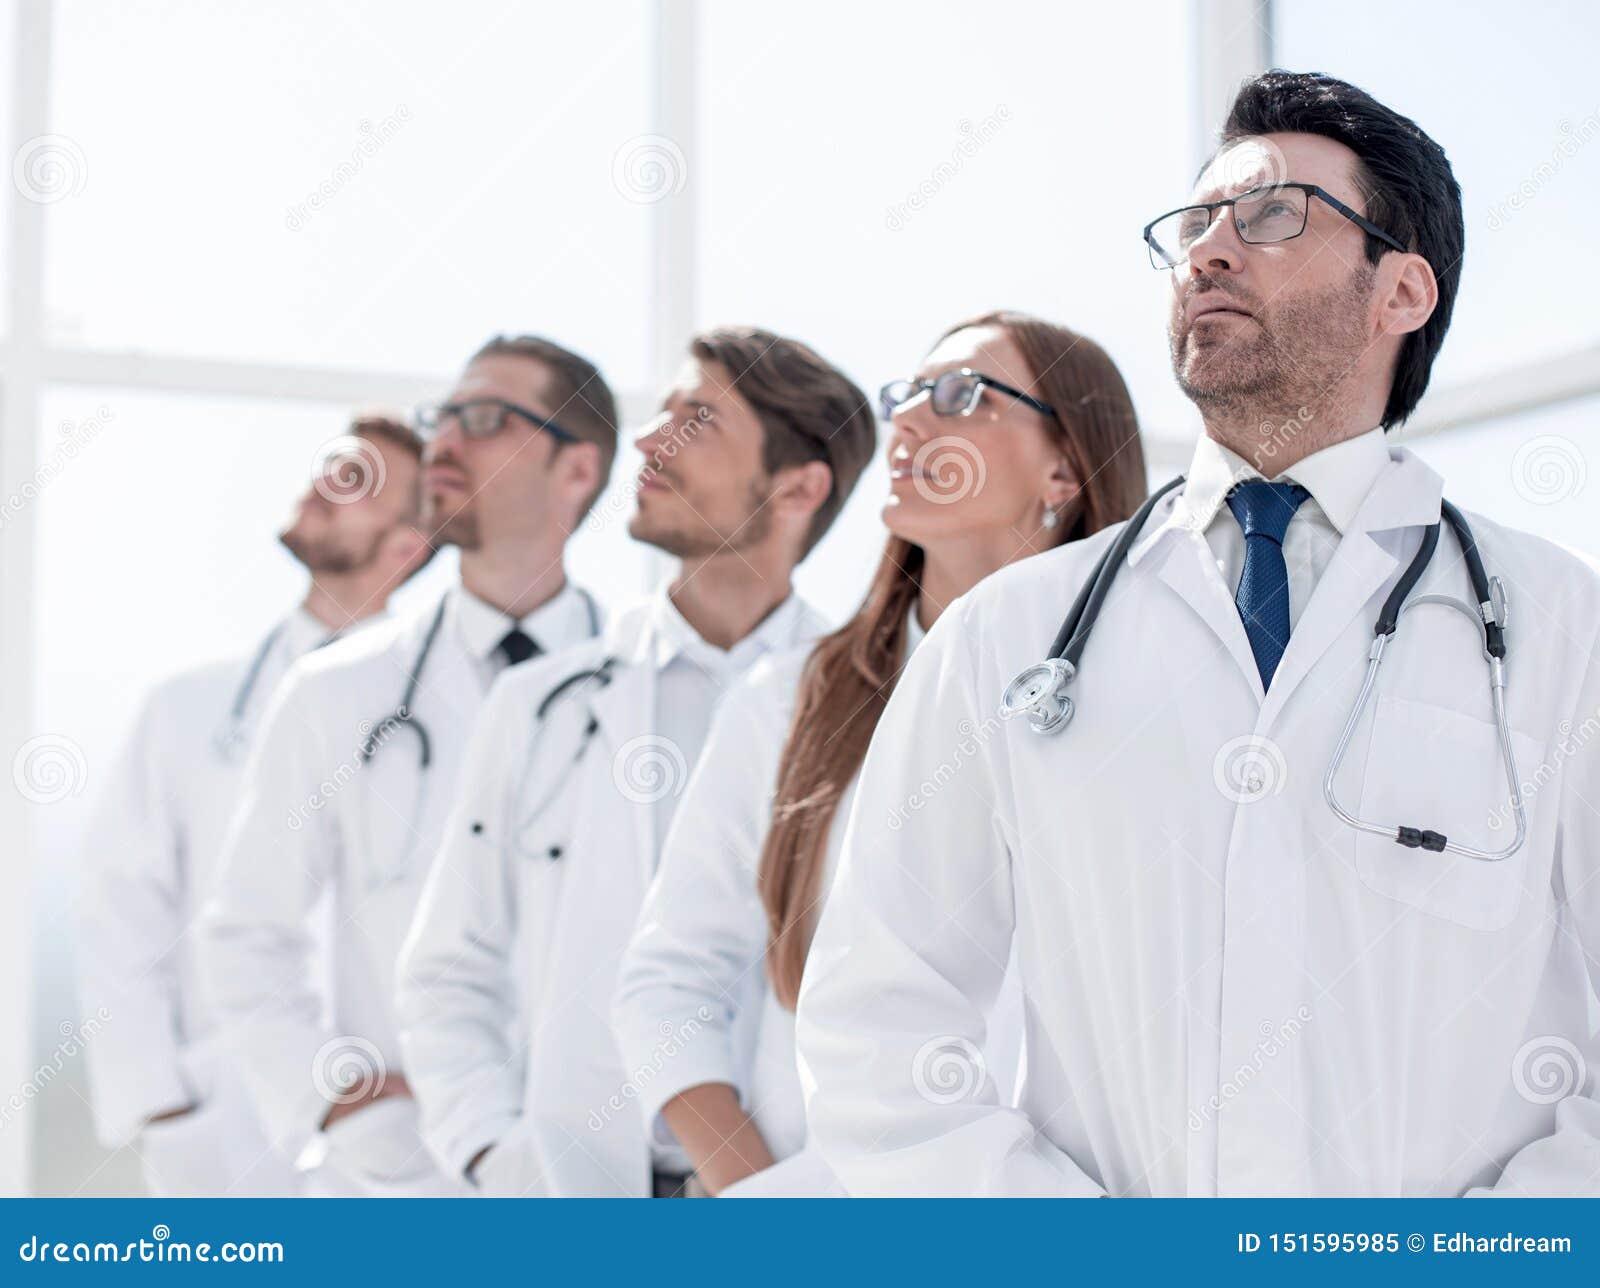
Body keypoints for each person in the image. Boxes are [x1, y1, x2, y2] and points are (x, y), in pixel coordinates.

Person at [795, 70, 1600, 1198]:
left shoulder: (1561, 626)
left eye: (1270, 215)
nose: (1210, 251)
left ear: (1401, 292)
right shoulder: (1008, 637)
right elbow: (877, 1018)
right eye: (1195, 224)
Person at [613, 312, 1147, 1196]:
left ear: (1064, 464)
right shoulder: (790, 702)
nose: (908, 421)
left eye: (959, 395)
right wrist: (759, 1199)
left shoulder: (1142, 701)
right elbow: (670, 981)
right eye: (906, 397)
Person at [395, 326, 878, 1198]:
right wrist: (495, 1156)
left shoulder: (879, 714)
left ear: (799, 484)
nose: (652, 442)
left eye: (697, 420)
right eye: (661, 416)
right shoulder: (542, 704)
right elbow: (448, 971)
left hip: (804, 1200)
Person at [201, 335, 618, 1197]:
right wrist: (331, 1100)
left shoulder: (643, 693)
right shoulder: (339, 689)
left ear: (578, 470)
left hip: (591, 1164)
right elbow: (246, 930)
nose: (447, 443)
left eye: (487, 419)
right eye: (444, 418)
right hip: (400, 1172)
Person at [76, 416, 433, 1197]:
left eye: (360, 480)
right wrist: (159, 1102)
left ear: (408, 546)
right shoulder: (186, 707)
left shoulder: (448, 713)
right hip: (217, 1116)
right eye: (331, 466)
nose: (325, 483)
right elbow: (119, 906)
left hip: (395, 1117)